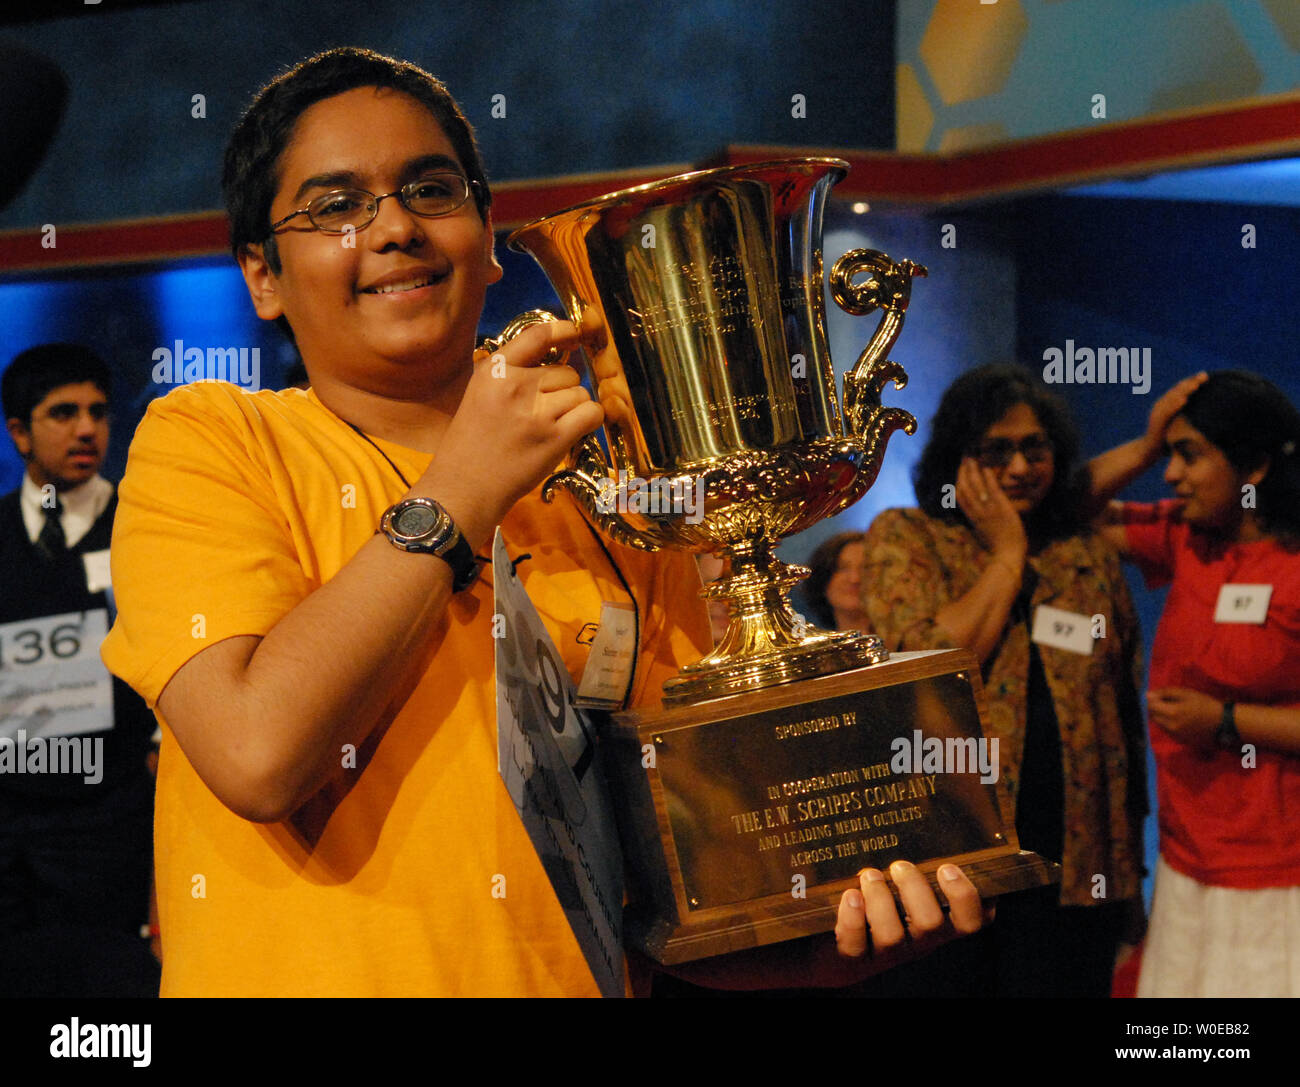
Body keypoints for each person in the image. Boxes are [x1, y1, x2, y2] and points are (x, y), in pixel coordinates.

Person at [99, 48, 980, 997]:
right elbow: (256, 753)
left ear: (485, 236)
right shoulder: (212, 441)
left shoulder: (602, 479)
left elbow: (674, 863)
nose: (393, 226)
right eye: (336, 205)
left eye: (429, 188)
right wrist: (462, 494)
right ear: (263, 276)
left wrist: (798, 943)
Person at [860, 363, 1147, 997]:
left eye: (1034, 448)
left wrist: (1128, 872)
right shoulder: (910, 538)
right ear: (960, 459)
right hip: (952, 855)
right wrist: (1008, 553)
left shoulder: (1083, 553)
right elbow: (928, 663)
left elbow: (1123, 709)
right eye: (997, 450)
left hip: (1079, 861)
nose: (1019, 468)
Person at [1089, 369, 1300, 997]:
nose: (1171, 475)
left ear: (1255, 466)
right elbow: (1060, 509)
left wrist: (1227, 722)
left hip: (1278, 871)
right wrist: (1148, 442)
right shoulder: (1186, 535)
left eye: (1190, 455)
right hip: (1186, 860)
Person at [0, 343, 158, 997]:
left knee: (109, 992)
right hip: (8, 815)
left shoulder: (146, 527)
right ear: (19, 432)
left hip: (110, 813)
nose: (87, 427)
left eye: (97, 411)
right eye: (63, 412)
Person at [800, 531, 868, 631]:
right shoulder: (811, 645)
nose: (855, 578)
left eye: (866, 568)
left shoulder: (896, 645)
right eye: (842, 568)